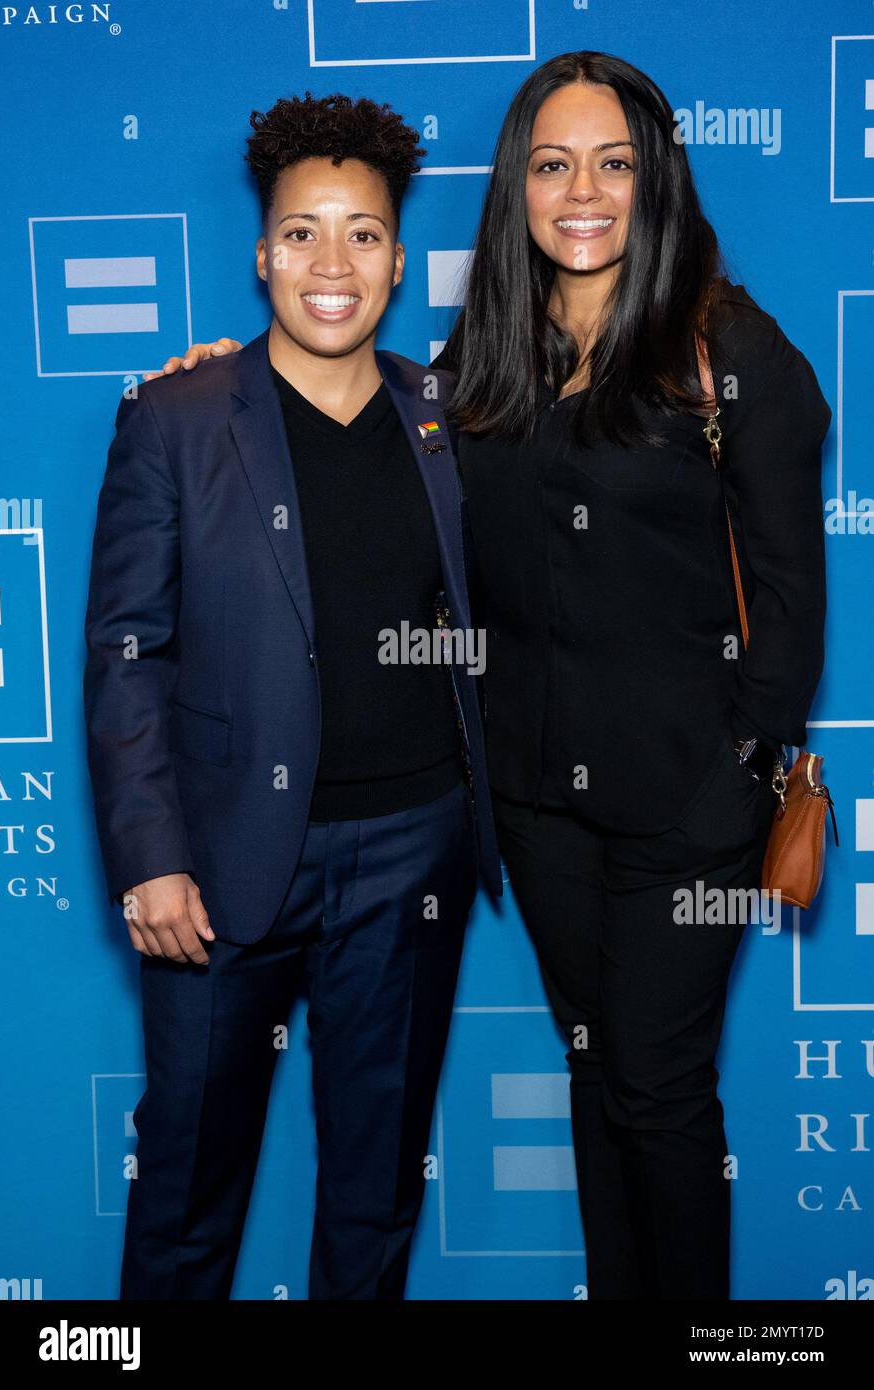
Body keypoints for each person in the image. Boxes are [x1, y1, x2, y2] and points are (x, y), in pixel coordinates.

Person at [159, 52, 832, 1300]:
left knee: (661, 1086)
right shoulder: (485, 354)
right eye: (553, 163)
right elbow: (345, 421)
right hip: (534, 803)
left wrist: (738, 776)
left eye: (615, 163)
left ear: (658, 180)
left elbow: (792, 605)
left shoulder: (731, 350)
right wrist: (220, 385)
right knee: (597, 1073)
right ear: (516, 186)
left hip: (689, 810)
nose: (585, 191)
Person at [83, 92, 501, 1303]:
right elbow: (125, 647)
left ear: (399, 258)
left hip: (410, 852)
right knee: (184, 1197)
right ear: (261, 253)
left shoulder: (445, 417)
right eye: (304, 233)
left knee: (375, 1197)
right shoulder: (175, 416)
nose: (333, 263)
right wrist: (149, 853)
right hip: (218, 866)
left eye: (363, 234)